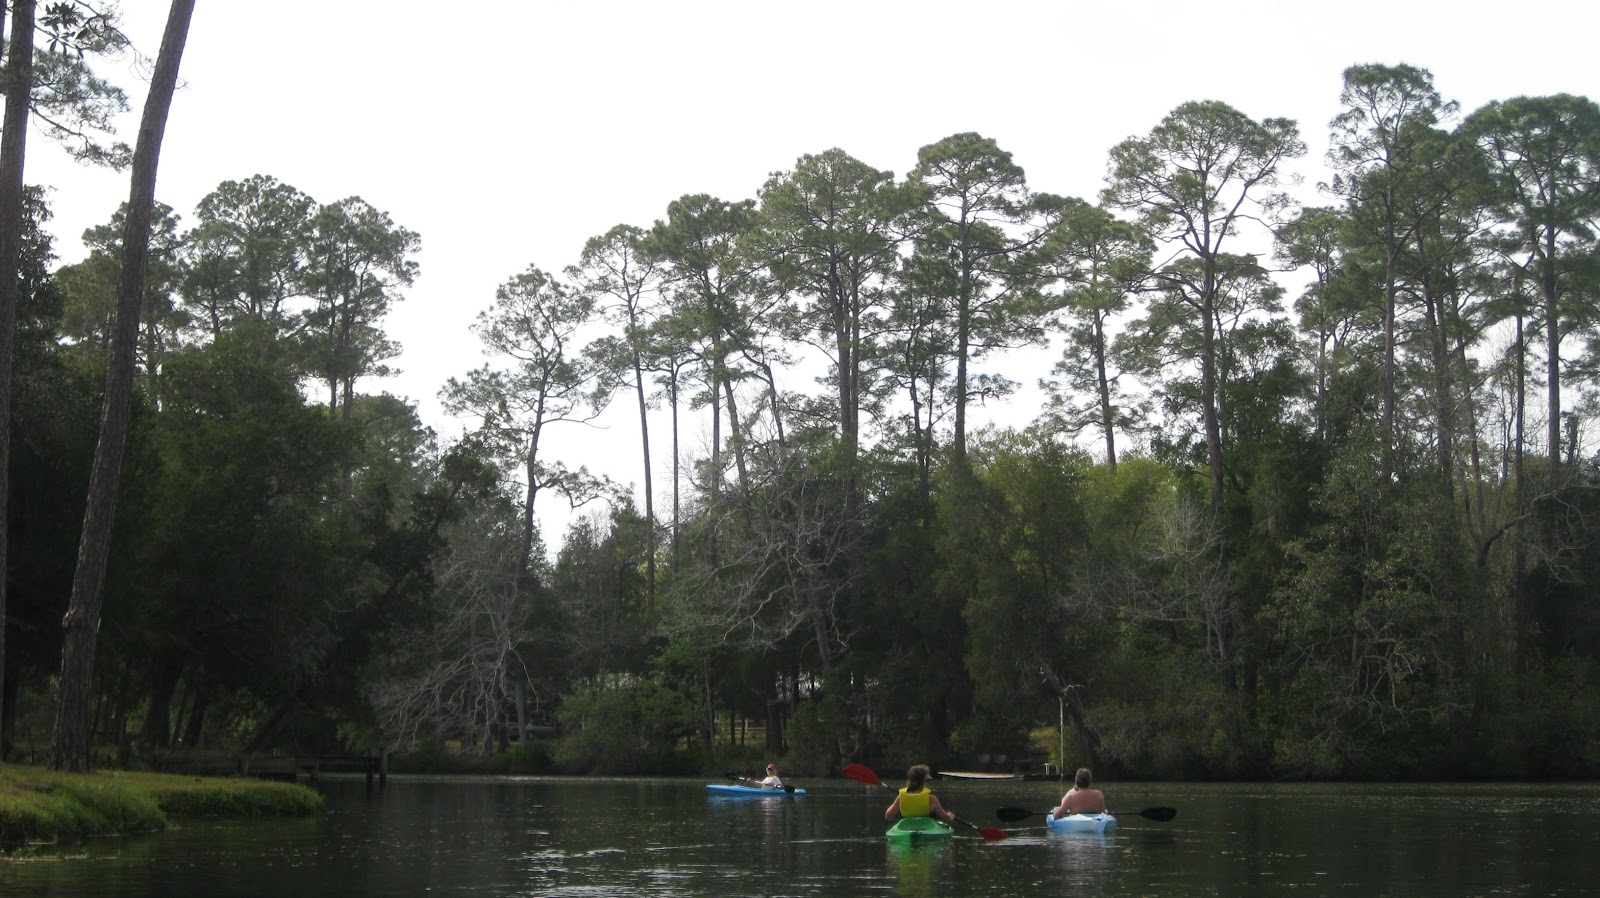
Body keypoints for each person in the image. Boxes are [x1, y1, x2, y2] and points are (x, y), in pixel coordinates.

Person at [884, 764, 956, 824]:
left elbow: (888, 816)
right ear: (924, 781)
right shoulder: (931, 798)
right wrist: (950, 816)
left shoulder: (901, 797)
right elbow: (944, 817)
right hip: (927, 829)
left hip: (907, 828)